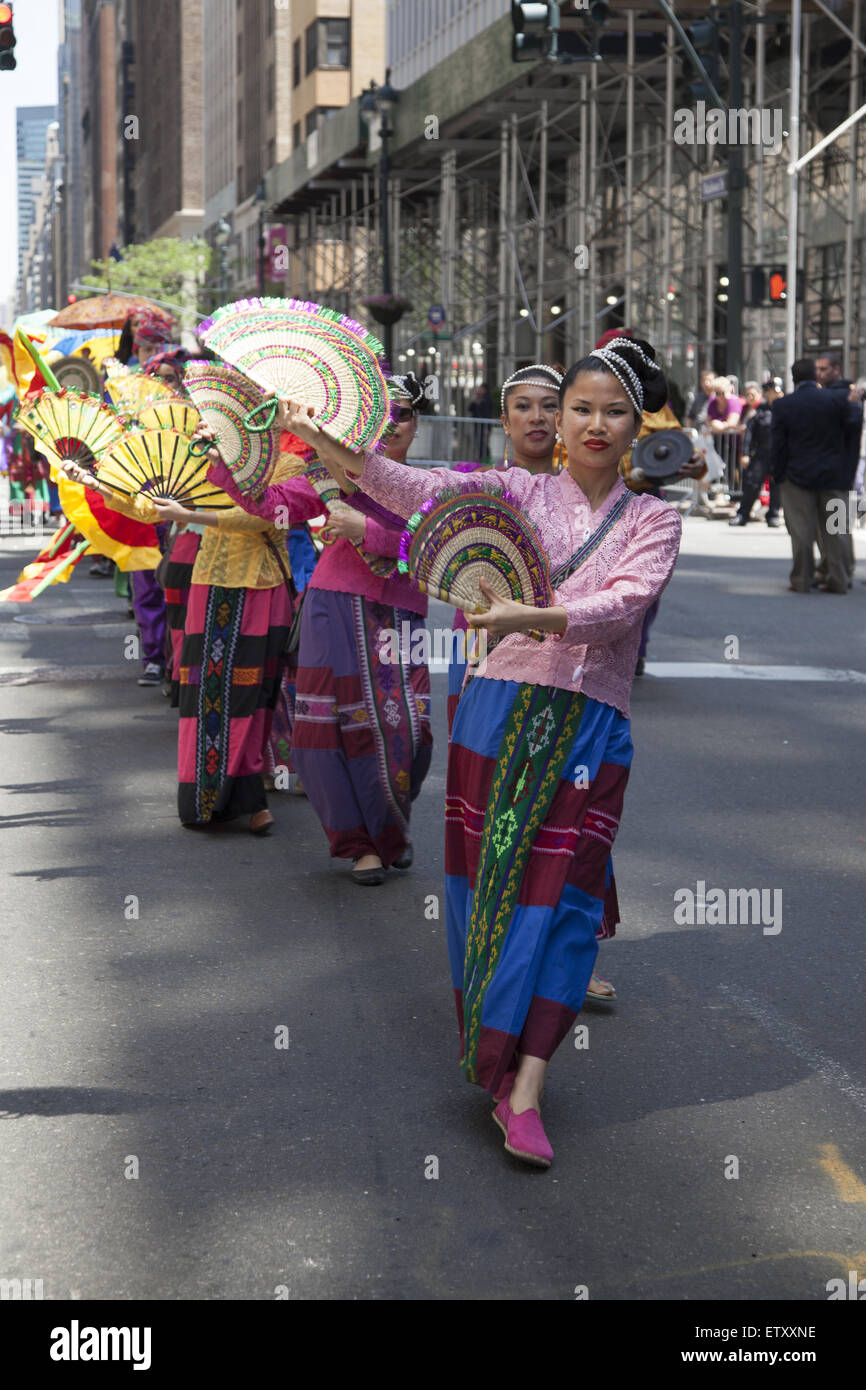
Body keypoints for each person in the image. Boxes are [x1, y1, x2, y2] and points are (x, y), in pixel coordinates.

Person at [280, 336, 682, 1168]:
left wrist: (525, 619)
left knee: (565, 902)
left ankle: (528, 1083)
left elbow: (624, 603)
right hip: (498, 713)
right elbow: (420, 492)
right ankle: (496, 1064)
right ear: (559, 423)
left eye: (613, 410)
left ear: (637, 424)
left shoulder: (657, 519)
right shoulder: (517, 491)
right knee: (490, 891)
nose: (594, 423)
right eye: (581, 408)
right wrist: (328, 445)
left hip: (589, 726)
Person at [205, 375, 433, 885]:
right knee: (330, 728)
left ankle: (392, 826)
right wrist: (225, 459)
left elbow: (440, 547)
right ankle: (358, 845)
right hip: (333, 604)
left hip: (400, 610)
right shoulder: (330, 472)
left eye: (405, 413)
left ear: (418, 425)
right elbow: (273, 507)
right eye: (383, 413)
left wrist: (368, 531)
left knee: (409, 729)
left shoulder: (427, 486)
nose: (394, 422)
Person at [770, 358, 859, 594]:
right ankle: (839, 579)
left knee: (801, 531)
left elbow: (778, 444)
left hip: (797, 476)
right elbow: (852, 432)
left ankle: (802, 580)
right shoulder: (838, 400)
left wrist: (778, 475)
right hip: (835, 475)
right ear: (815, 376)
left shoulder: (784, 405)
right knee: (837, 529)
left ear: (793, 378)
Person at [729, 381, 781, 526]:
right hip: (762, 452)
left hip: (778, 453)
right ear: (768, 392)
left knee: (776, 486)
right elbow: (749, 433)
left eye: (779, 392)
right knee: (752, 484)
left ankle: (773, 516)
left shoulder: (784, 409)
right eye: (775, 392)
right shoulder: (759, 410)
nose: (778, 394)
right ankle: (743, 515)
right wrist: (745, 453)